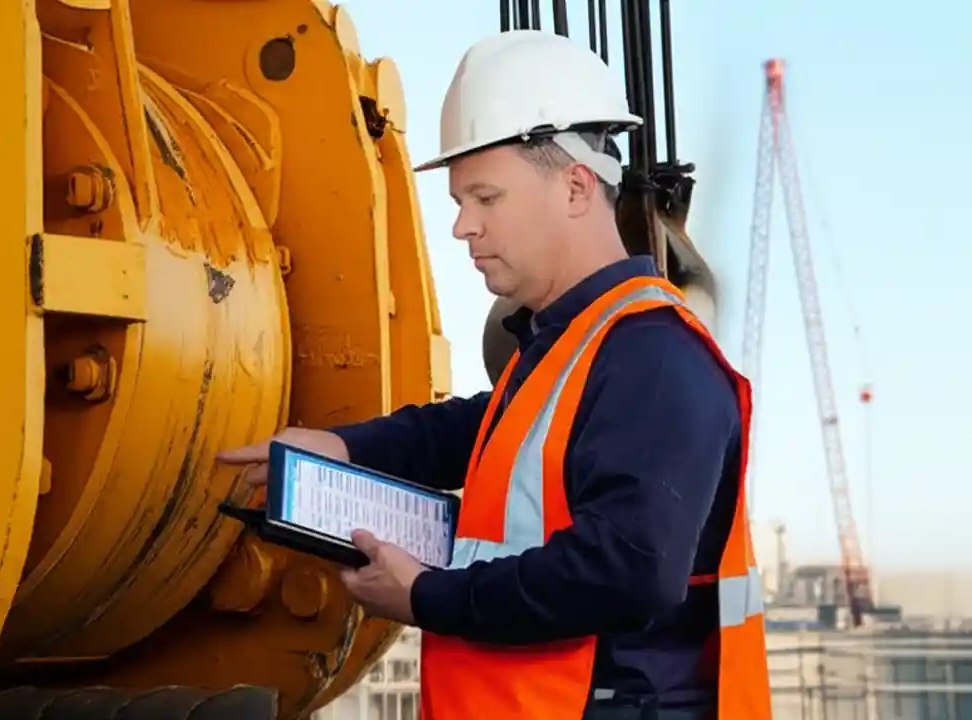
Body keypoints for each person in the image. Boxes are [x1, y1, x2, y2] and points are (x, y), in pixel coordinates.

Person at [217, 29, 771, 720]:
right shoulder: (575, 347)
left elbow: (628, 573)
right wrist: (346, 449)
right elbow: (479, 428)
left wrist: (425, 596)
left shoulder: (651, 356)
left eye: (486, 198)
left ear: (575, 187)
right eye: (459, 202)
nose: (462, 228)